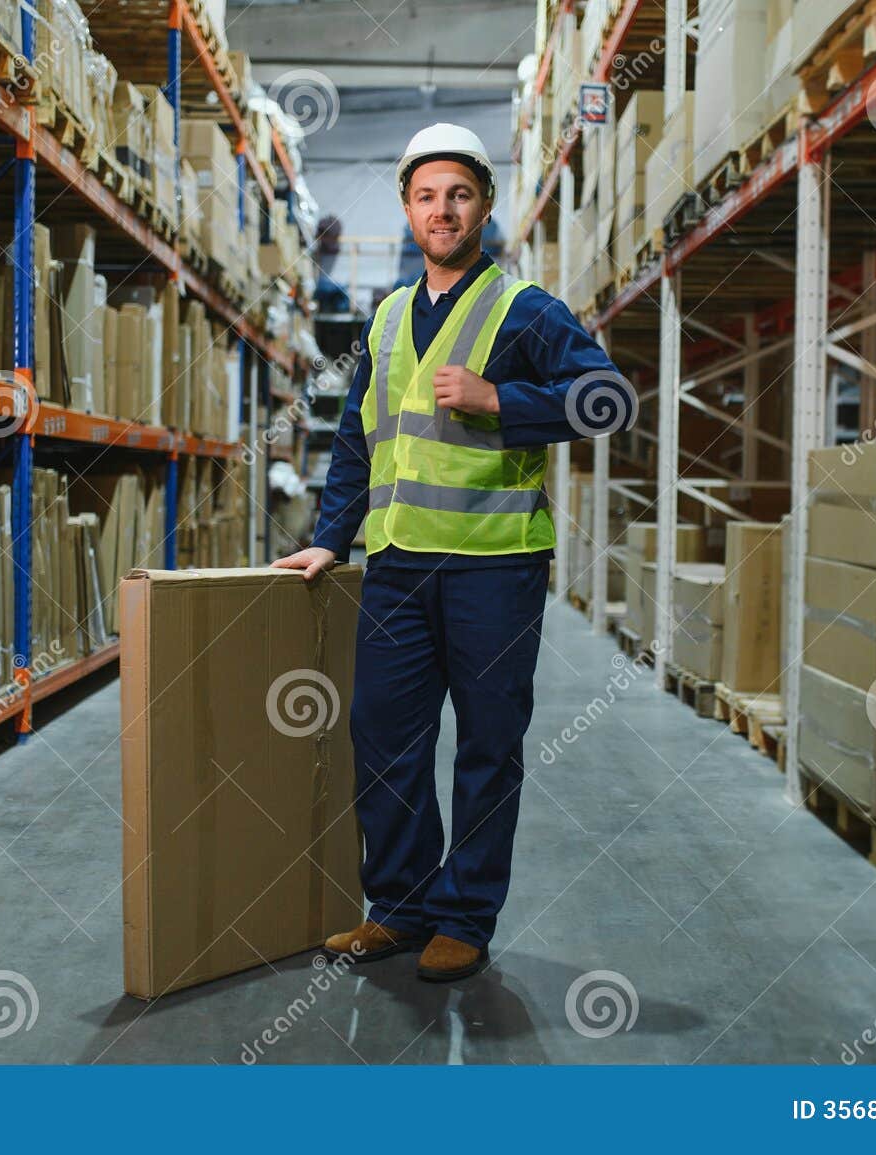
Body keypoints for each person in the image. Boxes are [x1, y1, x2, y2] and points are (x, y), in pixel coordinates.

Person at [272, 123, 634, 982]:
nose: (444, 209)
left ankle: (465, 916)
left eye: (460, 194)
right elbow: (361, 442)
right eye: (427, 195)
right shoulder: (389, 318)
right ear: (406, 209)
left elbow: (608, 401)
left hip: (494, 566)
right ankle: (399, 906)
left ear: (485, 206)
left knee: (486, 742)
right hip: (397, 566)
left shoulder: (527, 310)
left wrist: (501, 400)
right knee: (384, 735)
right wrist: (329, 540)